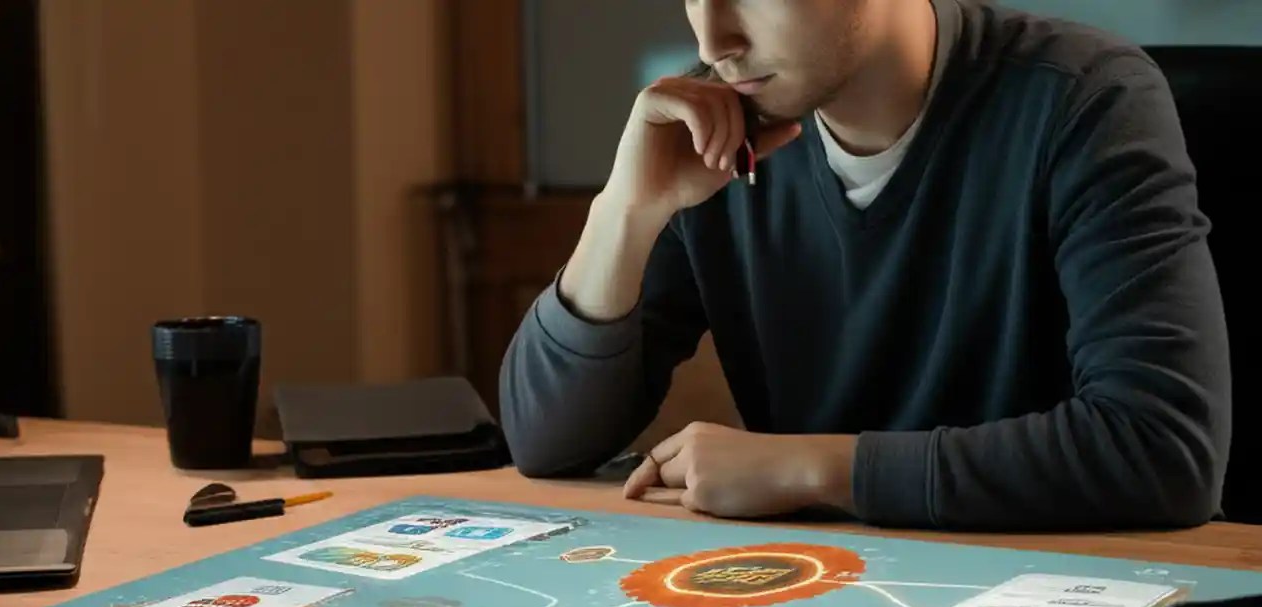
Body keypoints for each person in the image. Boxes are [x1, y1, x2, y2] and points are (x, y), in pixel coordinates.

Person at [498, 0, 1232, 531]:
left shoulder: (1084, 99)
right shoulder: (711, 136)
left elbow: (1161, 449)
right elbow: (545, 440)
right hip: (829, 598)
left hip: (1073, 593)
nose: (713, 34)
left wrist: (812, 468)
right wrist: (623, 213)